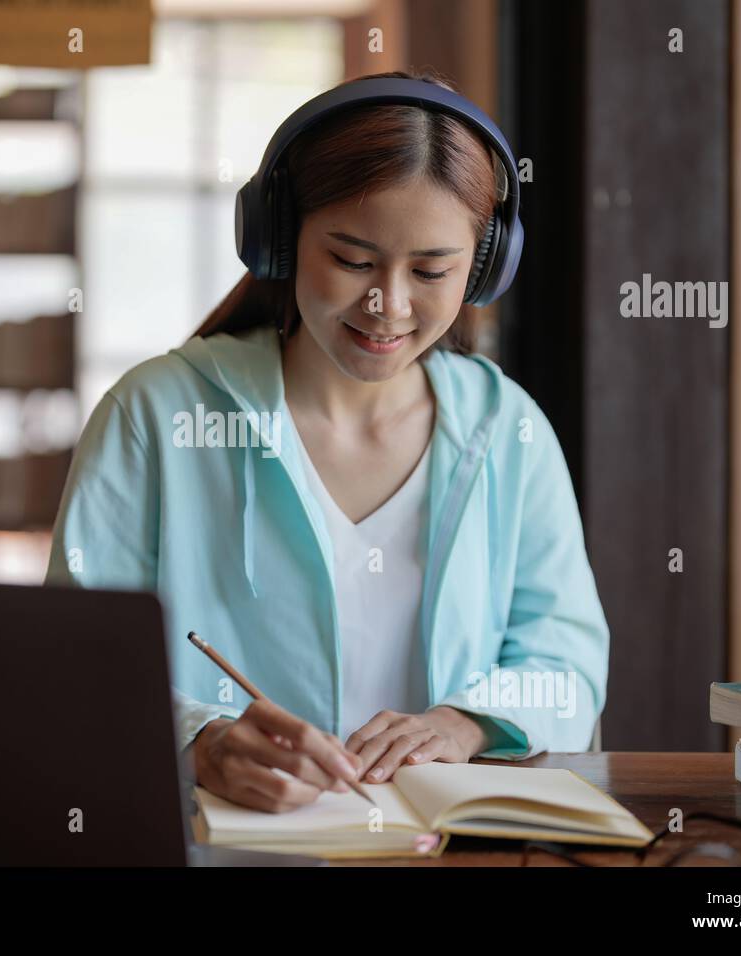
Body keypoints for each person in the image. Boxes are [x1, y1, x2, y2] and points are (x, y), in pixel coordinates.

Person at [46, 69, 609, 813]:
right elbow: (71, 662)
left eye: (432, 270)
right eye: (352, 260)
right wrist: (200, 740)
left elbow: (566, 660)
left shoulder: (510, 431)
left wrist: (466, 723)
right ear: (279, 239)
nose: (388, 305)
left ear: (481, 267)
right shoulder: (152, 415)